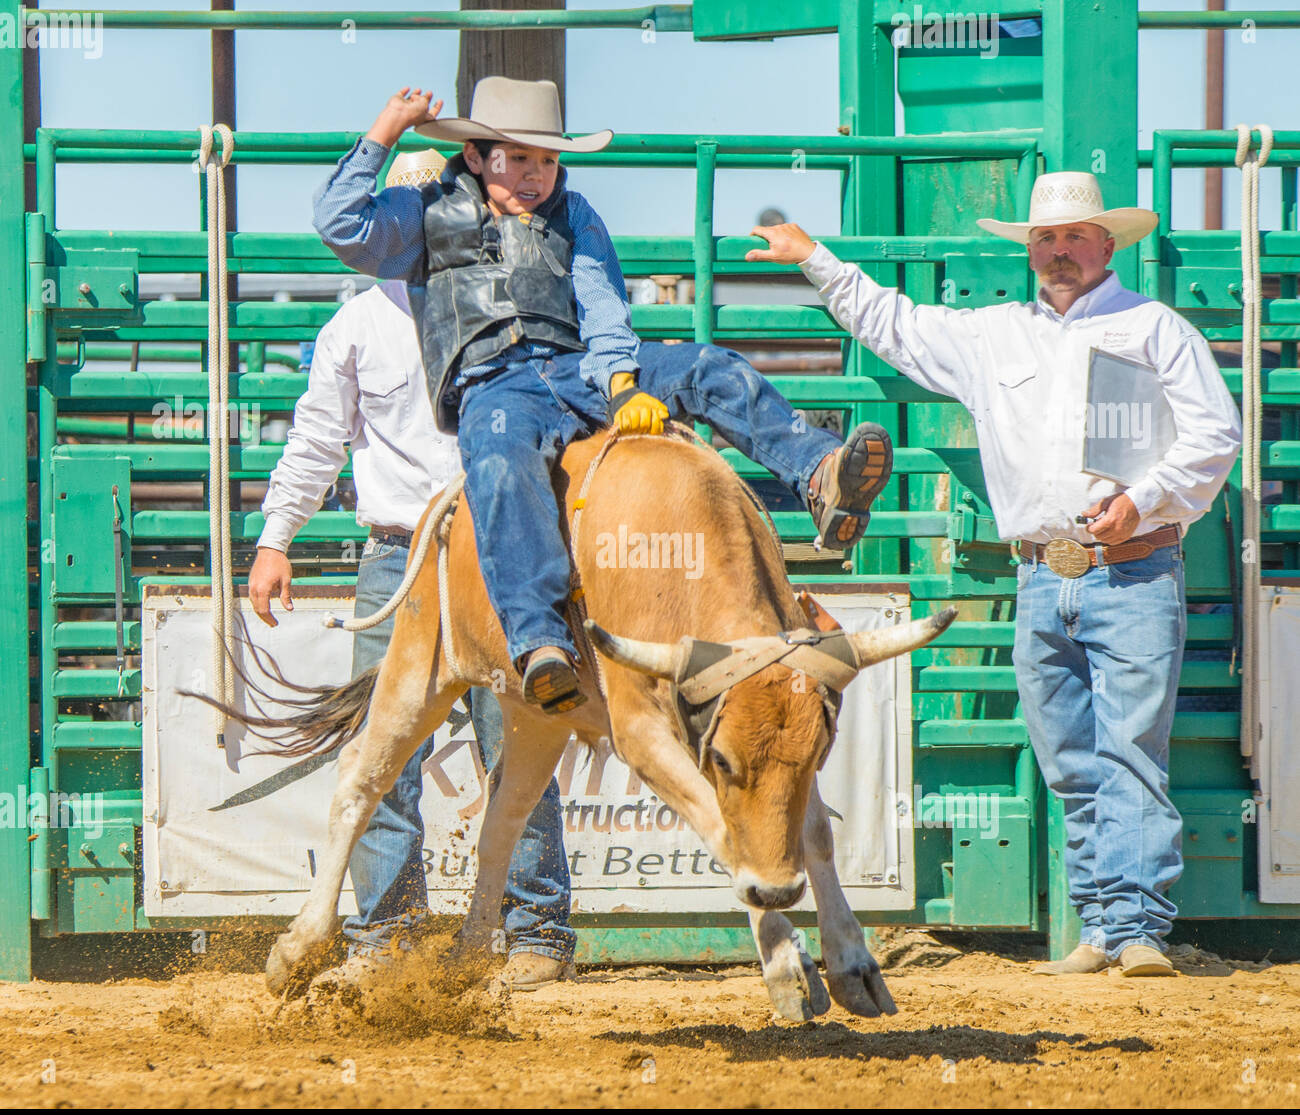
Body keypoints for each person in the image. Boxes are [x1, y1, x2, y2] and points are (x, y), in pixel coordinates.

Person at [748, 172, 1242, 978]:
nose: (1056, 252)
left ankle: (1138, 928)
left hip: (1133, 563)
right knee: (1072, 758)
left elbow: (1215, 436)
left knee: (1128, 752)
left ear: (1105, 245)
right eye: (1044, 240)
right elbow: (893, 323)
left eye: (1073, 237)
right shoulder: (994, 335)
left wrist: (1142, 500)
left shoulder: (1154, 328)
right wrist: (815, 259)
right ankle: (1104, 925)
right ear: (1030, 251)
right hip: (1043, 573)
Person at [312, 77, 895, 715]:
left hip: (577, 370)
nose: (537, 175)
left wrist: (620, 385)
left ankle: (819, 473)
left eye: (548, 159)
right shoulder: (425, 211)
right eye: (519, 158)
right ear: (475, 157)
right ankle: (539, 641)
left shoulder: (576, 215)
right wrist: (383, 134)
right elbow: (341, 224)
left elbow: (602, 306)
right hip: (492, 383)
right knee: (501, 460)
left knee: (708, 366)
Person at [250, 150, 575, 992]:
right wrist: (275, 538)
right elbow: (319, 438)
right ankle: (390, 934)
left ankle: (533, 931)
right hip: (405, 552)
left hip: (497, 547)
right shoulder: (356, 326)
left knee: (521, 744)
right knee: (384, 753)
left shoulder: (514, 295)